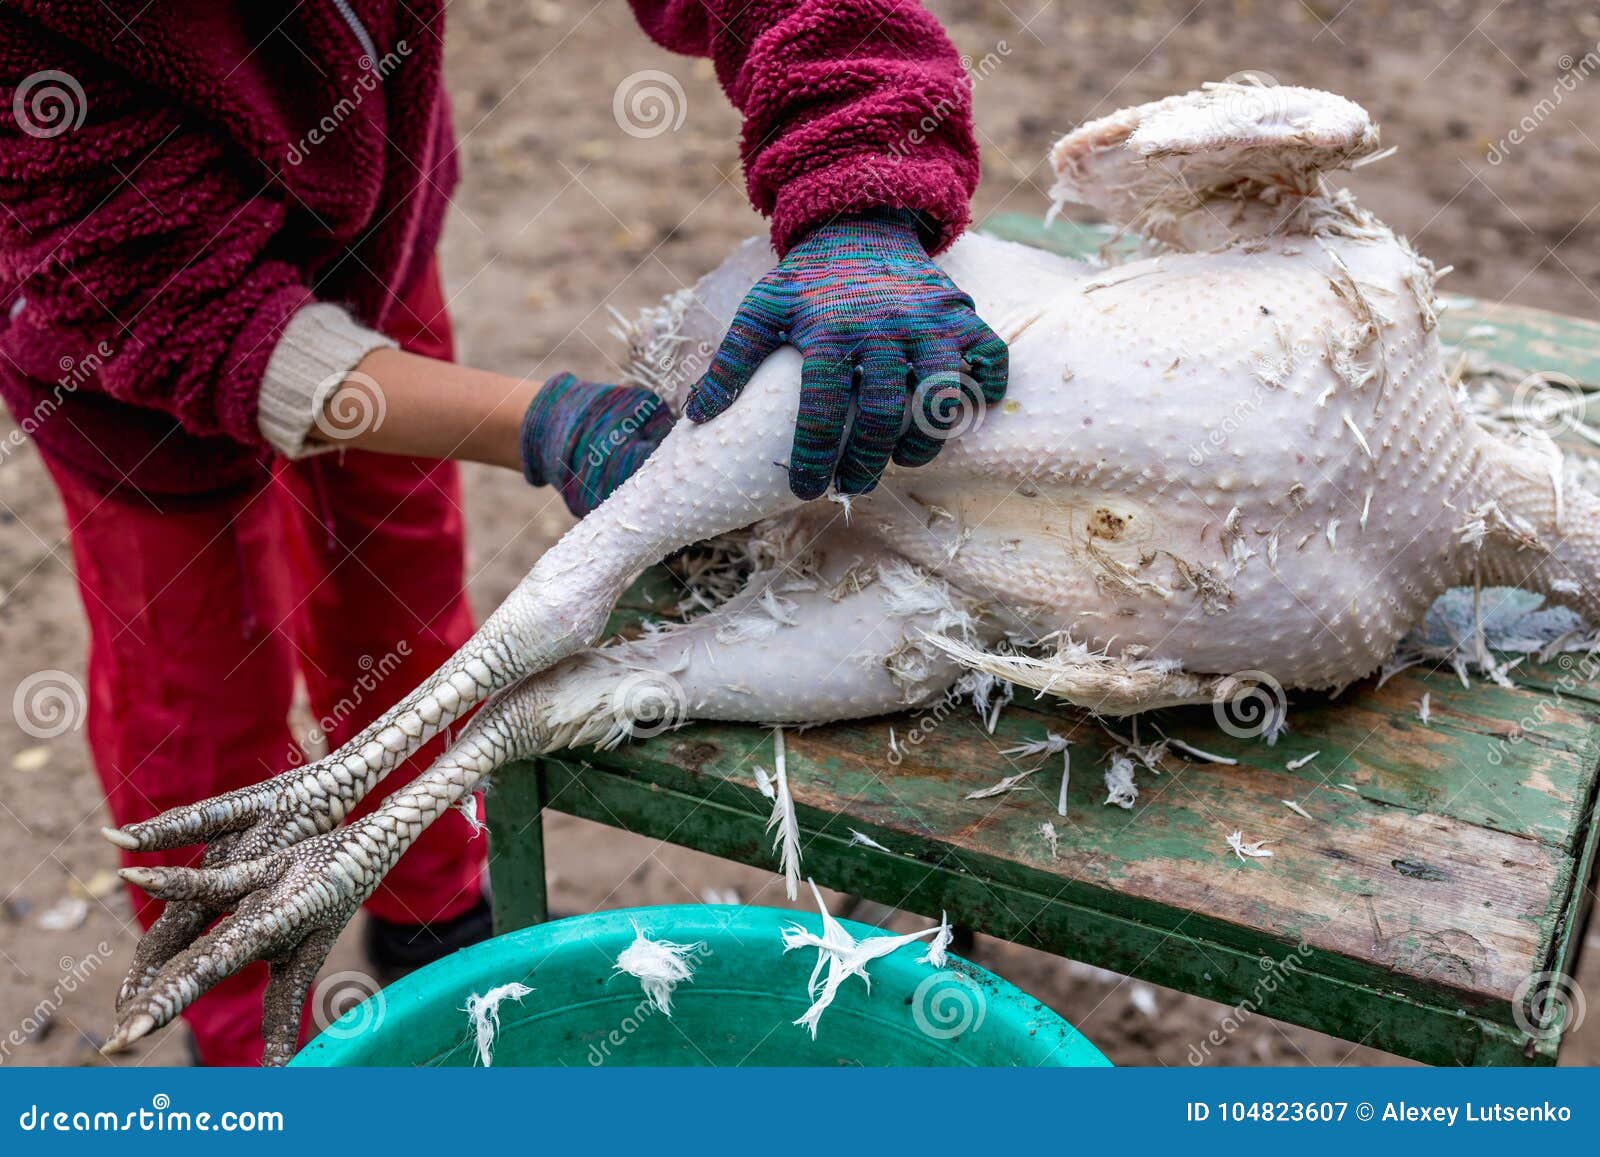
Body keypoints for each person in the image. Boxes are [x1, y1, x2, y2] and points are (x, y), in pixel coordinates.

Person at [0, 1, 1005, 1065]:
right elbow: (178, 311)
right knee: (196, 693)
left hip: (371, 246)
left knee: (402, 588)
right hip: (132, 365)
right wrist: (544, 422)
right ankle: (240, 1029)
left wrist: (859, 184)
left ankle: (435, 913)